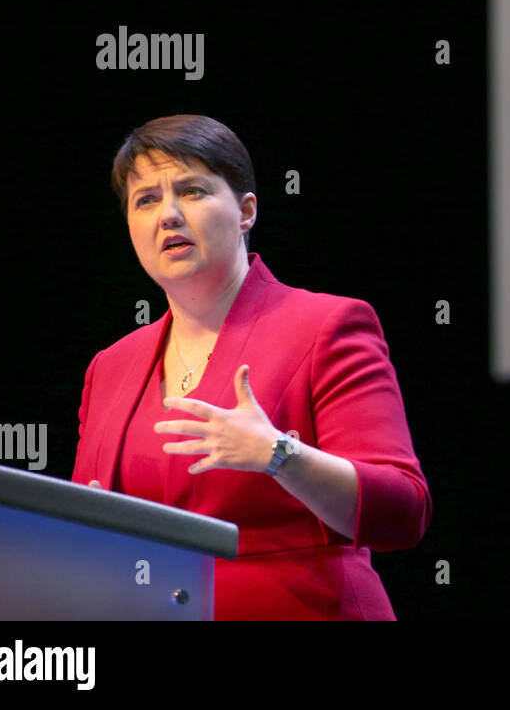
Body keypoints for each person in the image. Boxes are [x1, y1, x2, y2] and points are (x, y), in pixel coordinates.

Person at [71, 114, 431, 619]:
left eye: (192, 191)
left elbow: (403, 512)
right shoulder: (110, 367)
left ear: (246, 212)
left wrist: (280, 455)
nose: (168, 215)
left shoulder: (327, 325)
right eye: (146, 199)